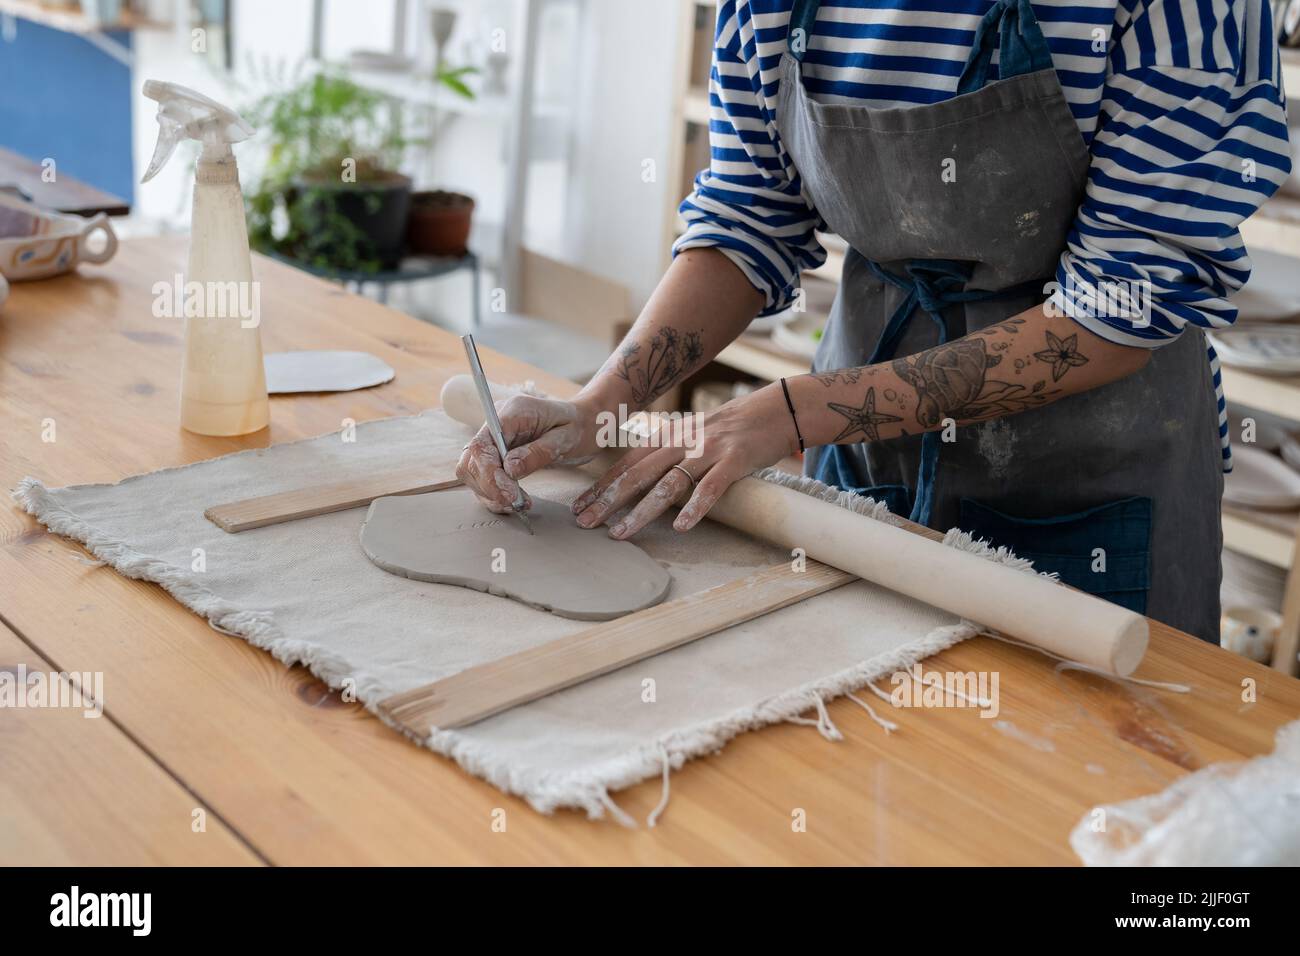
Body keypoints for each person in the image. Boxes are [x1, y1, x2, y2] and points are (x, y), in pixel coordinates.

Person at [458, 0, 1292, 643]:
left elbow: (1119, 305)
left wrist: (795, 411)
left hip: (1093, 478)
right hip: (862, 462)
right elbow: (751, 214)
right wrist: (599, 406)